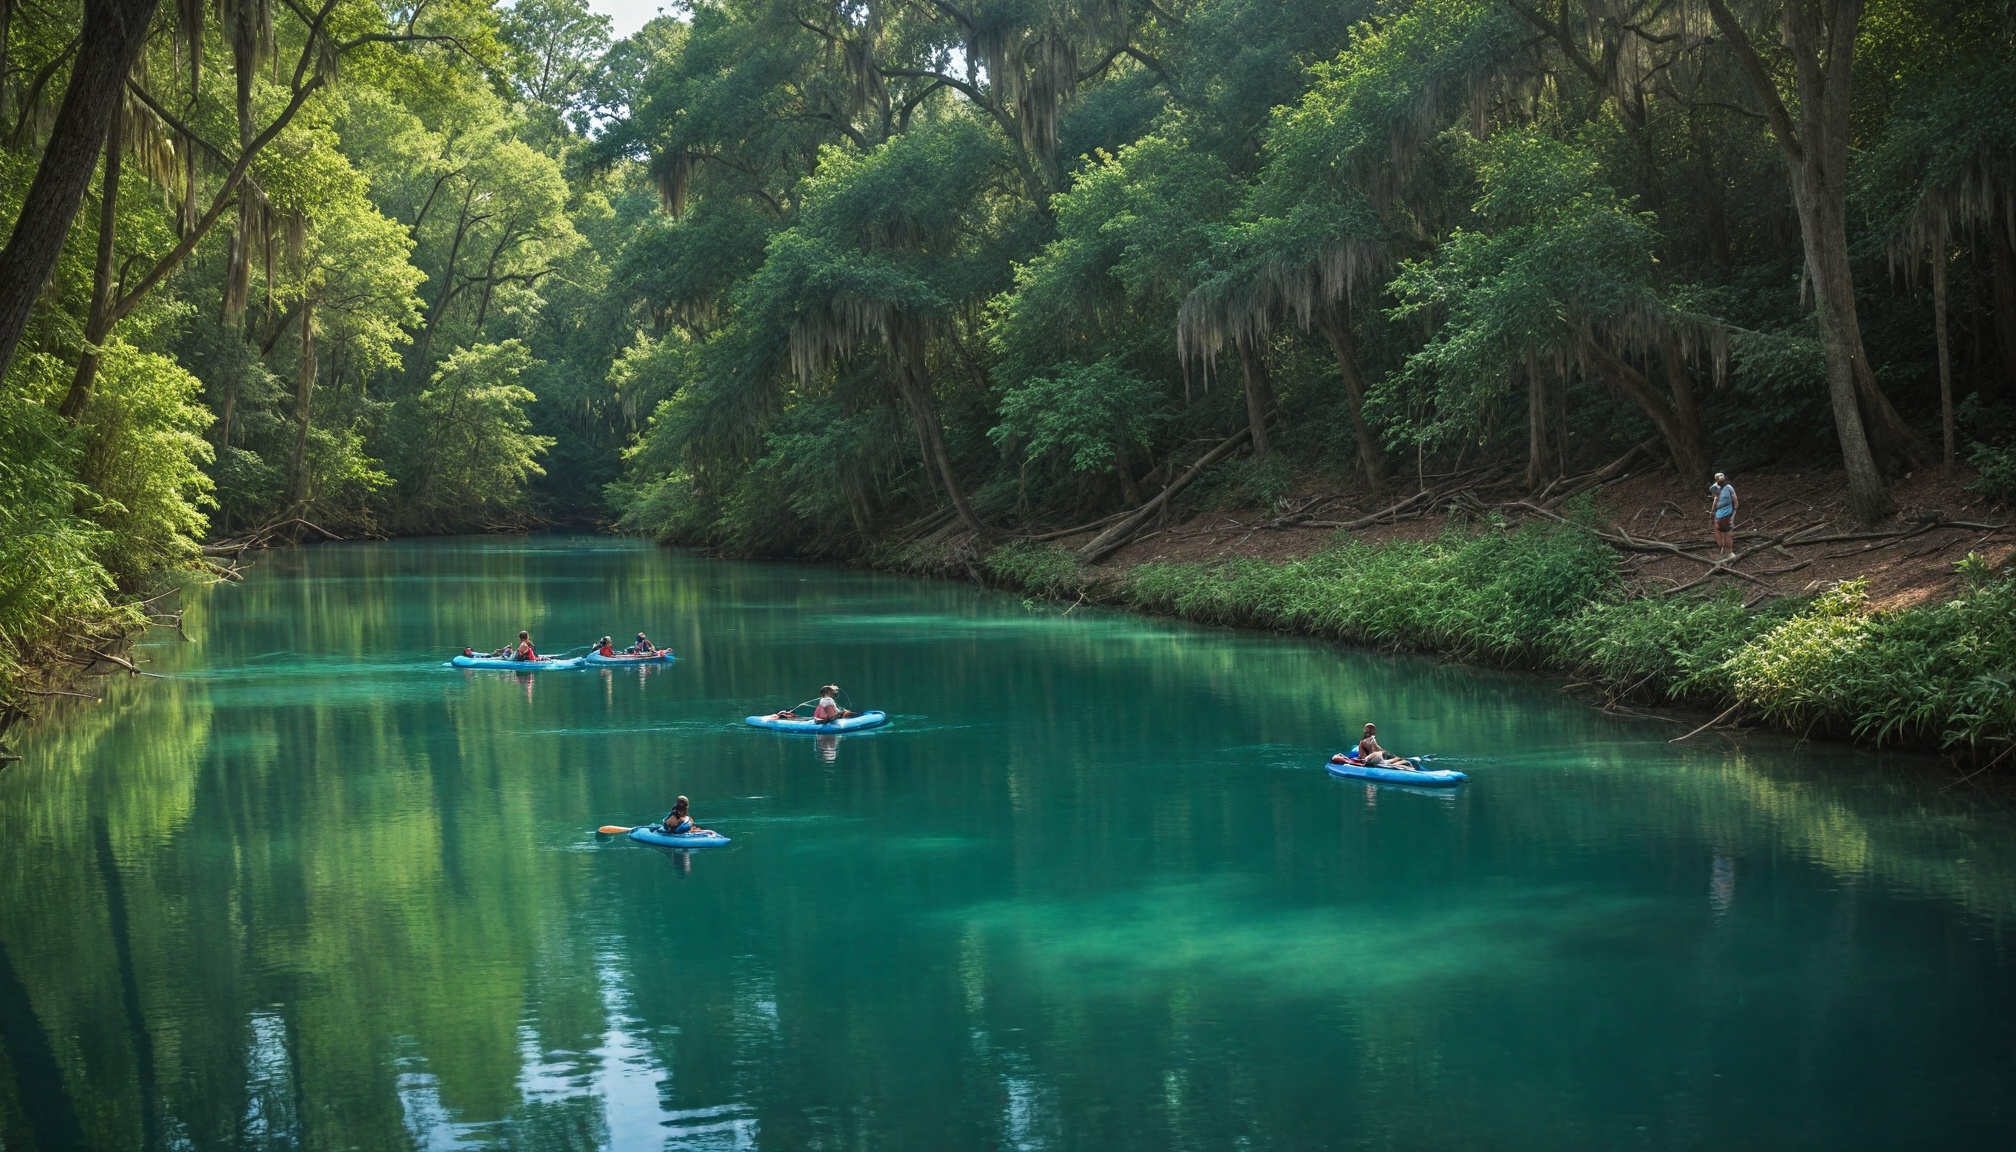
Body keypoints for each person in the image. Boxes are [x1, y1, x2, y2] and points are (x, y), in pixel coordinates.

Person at [1708, 472, 1739, 561]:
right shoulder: (1715, 488)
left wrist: (1733, 512)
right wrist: (1713, 511)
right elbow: (1715, 499)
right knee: (1717, 529)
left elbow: (1735, 500)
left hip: (1727, 511)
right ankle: (1722, 549)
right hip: (1718, 512)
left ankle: (1729, 551)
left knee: (1726, 531)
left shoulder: (1728, 488)